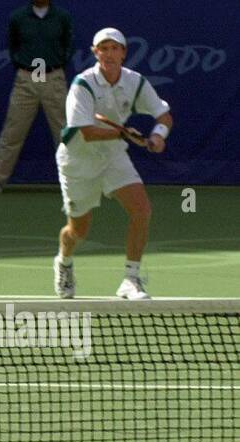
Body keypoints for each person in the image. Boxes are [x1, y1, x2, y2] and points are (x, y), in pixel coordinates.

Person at [53, 28, 172, 300]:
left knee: (141, 209)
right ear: (95, 53)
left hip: (114, 157)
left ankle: (131, 279)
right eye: (103, 49)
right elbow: (86, 132)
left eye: (114, 48)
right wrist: (123, 132)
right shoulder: (82, 84)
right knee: (78, 230)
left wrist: (157, 136)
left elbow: (164, 115)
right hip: (78, 160)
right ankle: (64, 261)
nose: (109, 54)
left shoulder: (135, 82)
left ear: (123, 53)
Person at [0, 0, 73, 196]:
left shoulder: (62, 16)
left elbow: (68, 45)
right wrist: (24, 66)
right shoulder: (18, 17)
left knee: (65, 132)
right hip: (25, 79)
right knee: (13, 131)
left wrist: (55, 65)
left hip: (54, 78)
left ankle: (75, 182)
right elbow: (13, 46)